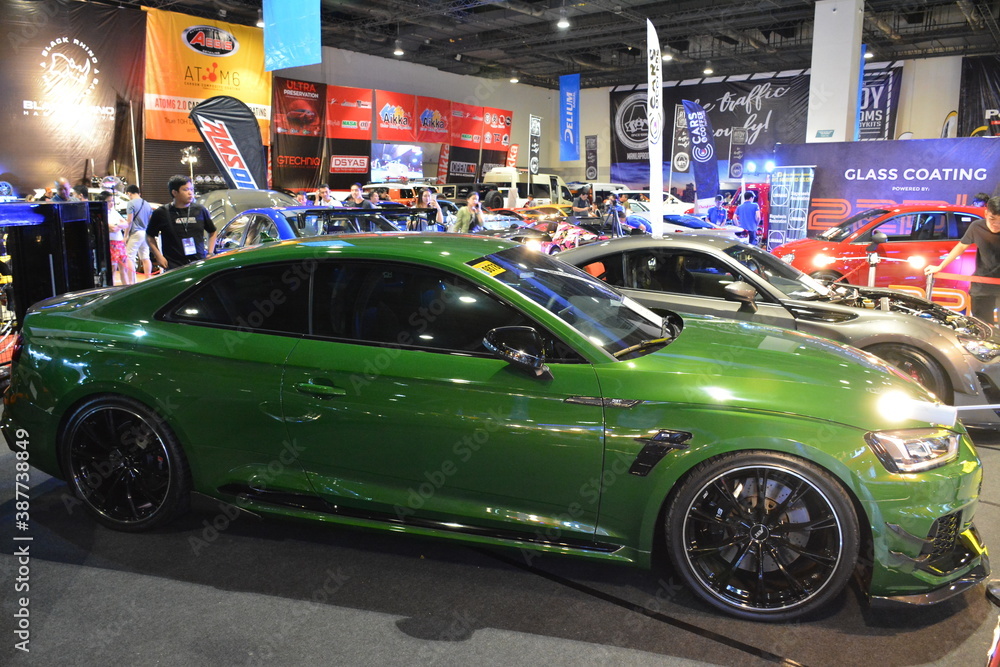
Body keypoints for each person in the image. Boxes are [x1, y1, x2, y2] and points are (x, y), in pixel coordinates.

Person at [925, 196, 1000, 326]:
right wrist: (940, 266)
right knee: (982, 325)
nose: (996, 225)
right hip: (982, 284)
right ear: (986, 213)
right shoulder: (977, 227)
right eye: (993, 219)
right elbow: (961, 246)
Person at [146, 175, 217, 271]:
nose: (190, 193)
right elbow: (149, 236)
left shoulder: (200, 210)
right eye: (186, 190)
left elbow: (212, 232)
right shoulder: (161, 213)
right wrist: (158, 256)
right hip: (174, 265)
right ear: (174, 192)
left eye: (191, 189)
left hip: (198, 263)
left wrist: (210, 252)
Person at [100, 190, 133, 285]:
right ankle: (112, 289)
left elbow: (126, 223)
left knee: (124, 267)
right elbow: (112, 228)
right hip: (111, 243)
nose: (111, 203)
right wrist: (118, 225)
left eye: (112, 201)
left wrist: (117, 225)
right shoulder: (104, 214)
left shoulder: (114, 212)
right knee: (113, 269)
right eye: (109, 201)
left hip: (119, 242)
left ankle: (126, 288)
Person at [125, 184, 153, 280]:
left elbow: (129, 221)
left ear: (129, 193)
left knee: (129, 257)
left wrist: (125, 235)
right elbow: (150, 219)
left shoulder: (131, 203)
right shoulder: (146, 203)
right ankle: (148, 279)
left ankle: (132, 281)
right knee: (145, 257)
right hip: (145, 232)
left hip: (135, 233)